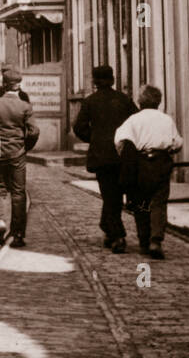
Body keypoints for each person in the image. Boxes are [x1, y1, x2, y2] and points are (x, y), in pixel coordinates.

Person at [73, 65, 136, 253]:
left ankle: (118, 236)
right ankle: (108, 228)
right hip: (121, 154)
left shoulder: (90, 102)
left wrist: (93, 138)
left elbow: (78, 127)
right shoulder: (124, 100)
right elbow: (136, 122)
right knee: (114, 195)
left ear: (94, 81)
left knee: (110, 194)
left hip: (101, 156)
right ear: (113, 80)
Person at [114, 85, 182, 259]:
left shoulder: (133, 120)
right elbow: (177, 142)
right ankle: (156, 240)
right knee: (159, 201)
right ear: (158, 101)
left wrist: (128, 156)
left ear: (140, 101)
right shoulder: (167, 120)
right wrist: (169, 149)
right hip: (161, 163)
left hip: (141, 163)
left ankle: (144, 241)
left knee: (141, 202)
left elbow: (119, 140)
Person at [0, 66, 39, 248]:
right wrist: (25, 146)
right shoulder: (25, 106)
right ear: (18, 86)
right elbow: (34, 131)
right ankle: (18, 234)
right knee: (19, 192)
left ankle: (1, 221)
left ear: (4, 85)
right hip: (17, 151)